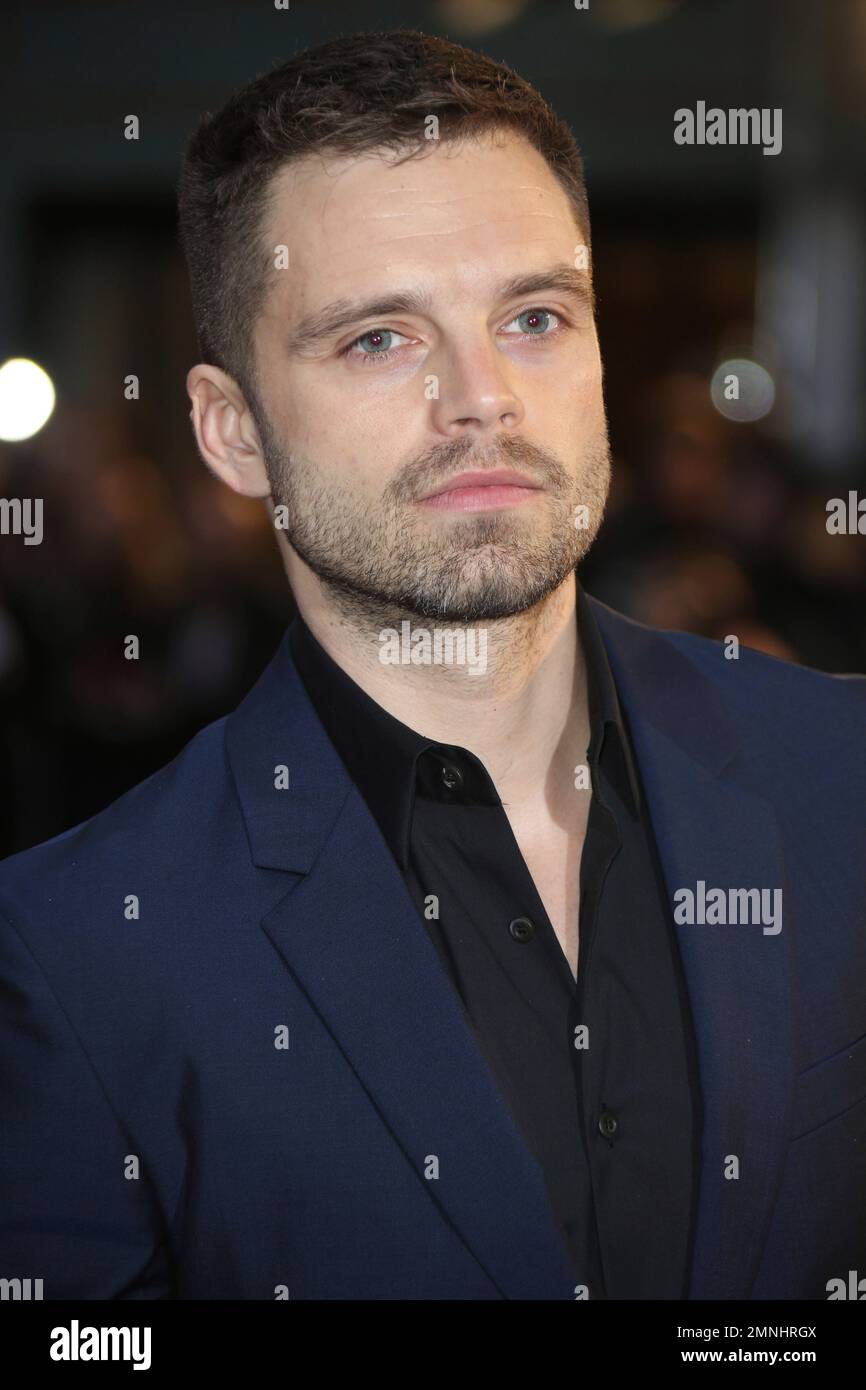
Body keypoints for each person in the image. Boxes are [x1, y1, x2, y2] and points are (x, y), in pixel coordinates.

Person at [1, 28, 864, 1302]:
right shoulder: (79, 950)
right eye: (378, 340)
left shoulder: (837, 770)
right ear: (232, 433)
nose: (483, 397)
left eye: (532, 317)